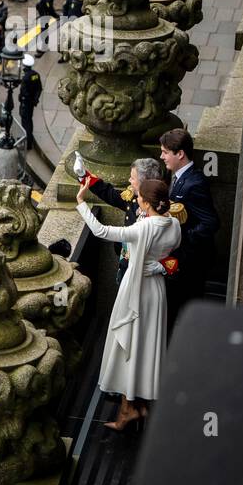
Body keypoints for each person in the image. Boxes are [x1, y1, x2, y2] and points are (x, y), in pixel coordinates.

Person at [76, 179, 181, 430]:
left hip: (135, 290)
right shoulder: (174, 224)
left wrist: (81, 203)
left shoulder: (143, 227)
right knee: (147, 345)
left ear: (145, 202)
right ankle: (140, 404)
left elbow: (101, 231)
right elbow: (173, 248)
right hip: (156, 289)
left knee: (129, 348)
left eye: (139, 197)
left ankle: (127, 410)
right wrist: (157, 265)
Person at [159, 129, 220, 327]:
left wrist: (181, 239)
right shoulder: (176, 177)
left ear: (180, 154)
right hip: (180, 261)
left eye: (165, 152)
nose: (162, 157)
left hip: (190, 264)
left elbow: (211, 223)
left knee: (182, 312)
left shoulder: (194, 183)